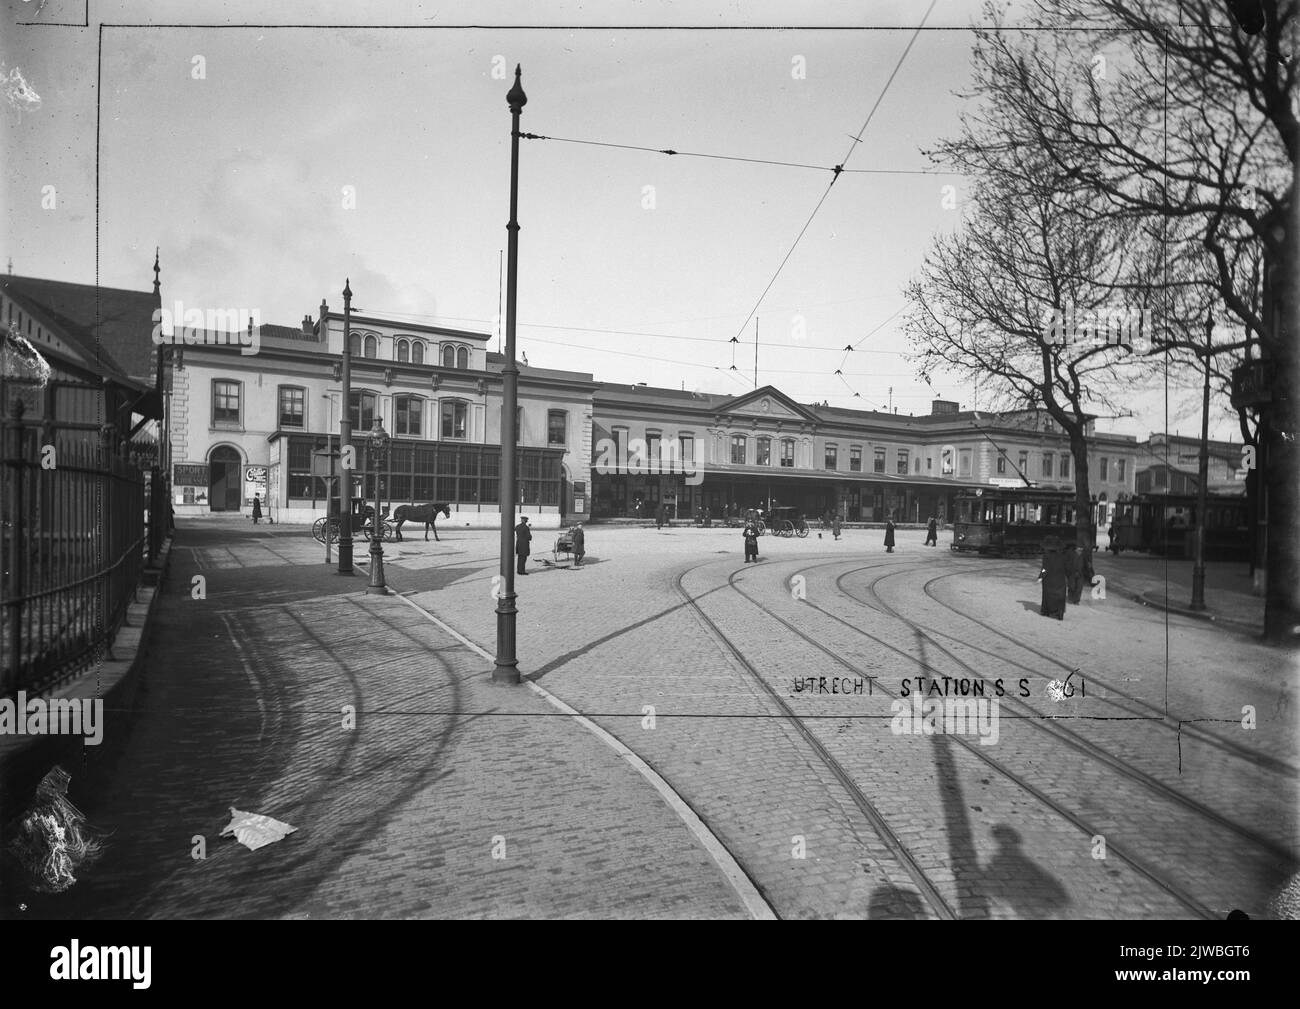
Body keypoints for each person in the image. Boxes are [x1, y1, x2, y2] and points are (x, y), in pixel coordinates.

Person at [1039, 535, 1067, 619]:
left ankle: (1047, 611)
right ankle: (1059, 612)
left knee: (1048, 595)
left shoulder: (1046, 557)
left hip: (1049, 580)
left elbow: (1045, 569)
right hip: (1060, 579)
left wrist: (1040, 577)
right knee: (1060, 596)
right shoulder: (1063, 556)